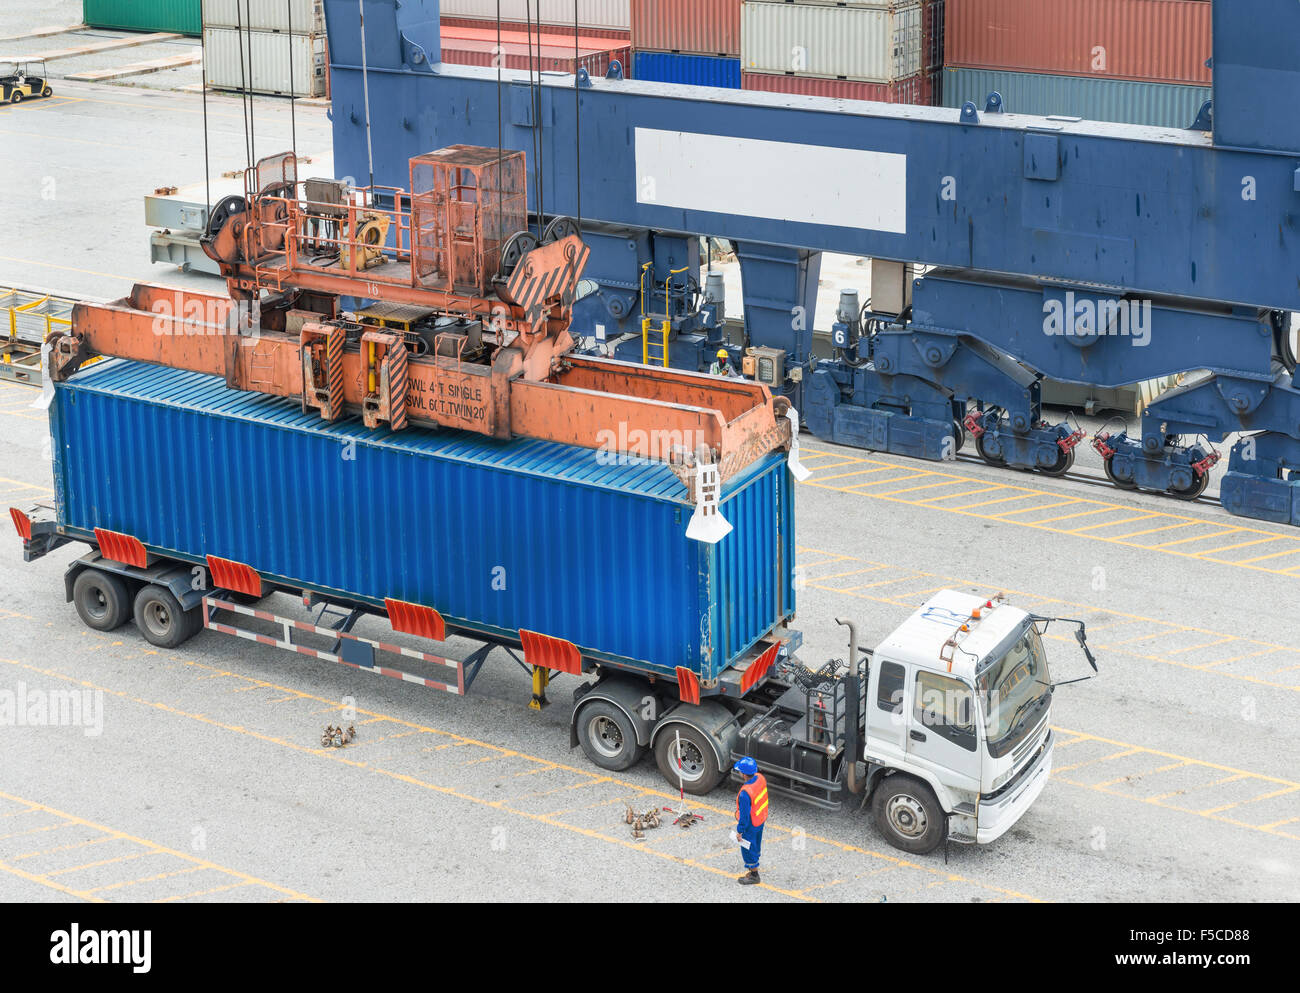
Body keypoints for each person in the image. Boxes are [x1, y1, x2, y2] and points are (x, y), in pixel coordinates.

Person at [732, 756, 768, 885]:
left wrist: (740, 831)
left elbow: (744, 817)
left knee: (747, 848)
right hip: (761, 818)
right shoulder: (760, 778)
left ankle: (754, 875)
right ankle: (755, 861)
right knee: (756, 844)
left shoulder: (745, 793)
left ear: (743, 774)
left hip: (751, 824)